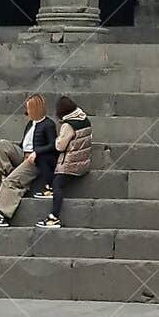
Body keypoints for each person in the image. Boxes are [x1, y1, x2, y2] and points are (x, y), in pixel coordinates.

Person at [0, 95, 56, 228]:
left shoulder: (48, 124)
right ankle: (8, 172)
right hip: (23, 154)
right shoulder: (30, 124)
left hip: (34, 161)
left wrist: (37, 152)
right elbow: (24, 144)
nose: (26, 111)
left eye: (29, 108)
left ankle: (1, 215)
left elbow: (53, 145)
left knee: (9, 182)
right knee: (2, 144)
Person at [39, 97, 92, 228]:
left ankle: (54, 217)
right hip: (83, 161)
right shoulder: (85, 119)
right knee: (44, 158)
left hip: (71, 163)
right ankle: (49, 188)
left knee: (57, 184)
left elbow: (60, 146)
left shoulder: (68, 125)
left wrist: (57, 139)